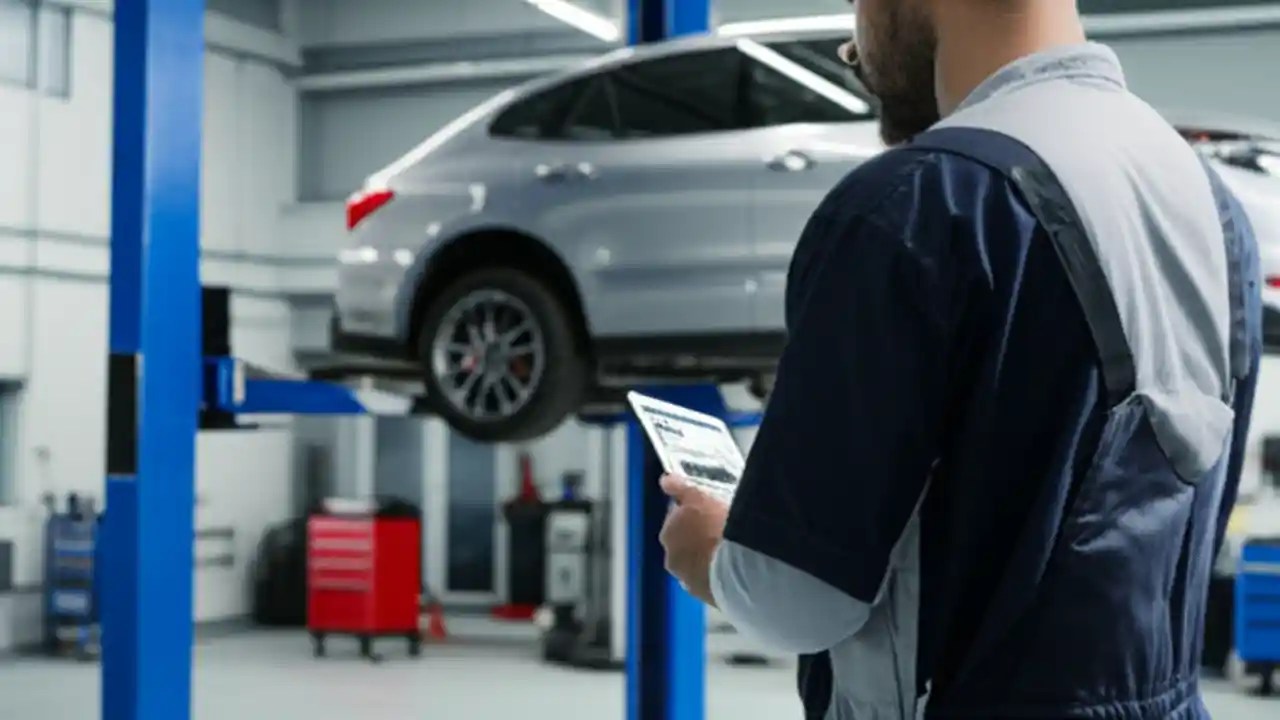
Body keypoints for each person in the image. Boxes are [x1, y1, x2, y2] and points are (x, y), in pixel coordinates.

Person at [657, 0, 1263, 718]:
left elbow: (793, 599)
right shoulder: (1213, 207)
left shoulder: (919, 204)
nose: (855, 40)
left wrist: (714, 557)